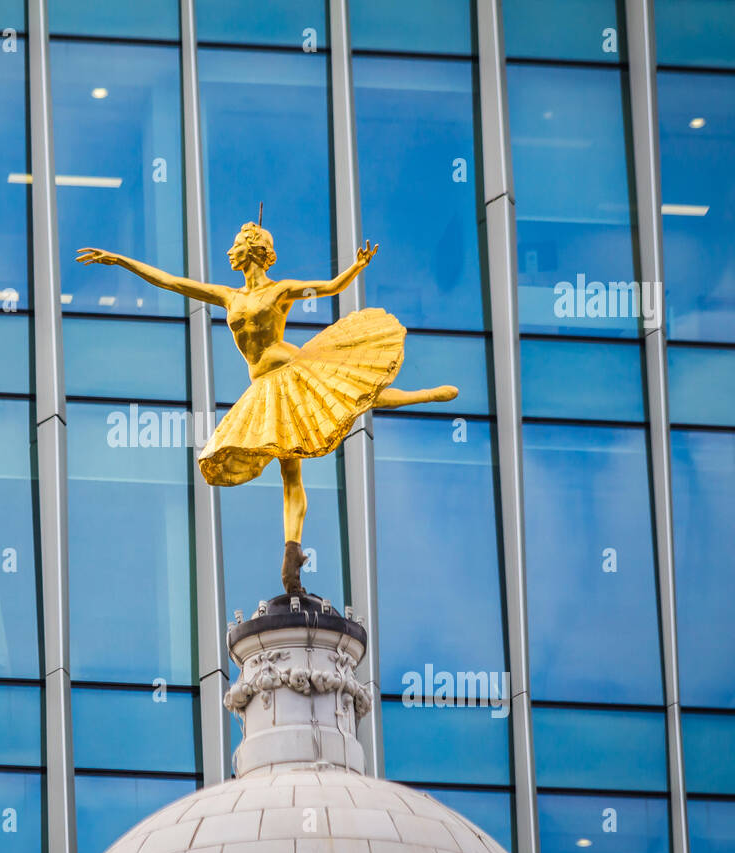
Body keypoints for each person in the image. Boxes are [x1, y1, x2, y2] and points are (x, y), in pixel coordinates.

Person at [77, 220, 457, 595]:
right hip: (263, 387)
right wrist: (120, 260)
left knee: (350, 396)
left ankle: (423, 395)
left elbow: (327, 288)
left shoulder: (280, 292)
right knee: (290, 471)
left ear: (254, 249)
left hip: (289, 369)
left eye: (236, 244)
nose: (229, 251)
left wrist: (356, 267)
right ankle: (292, 554)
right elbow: (173, 282)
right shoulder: (229, 296)